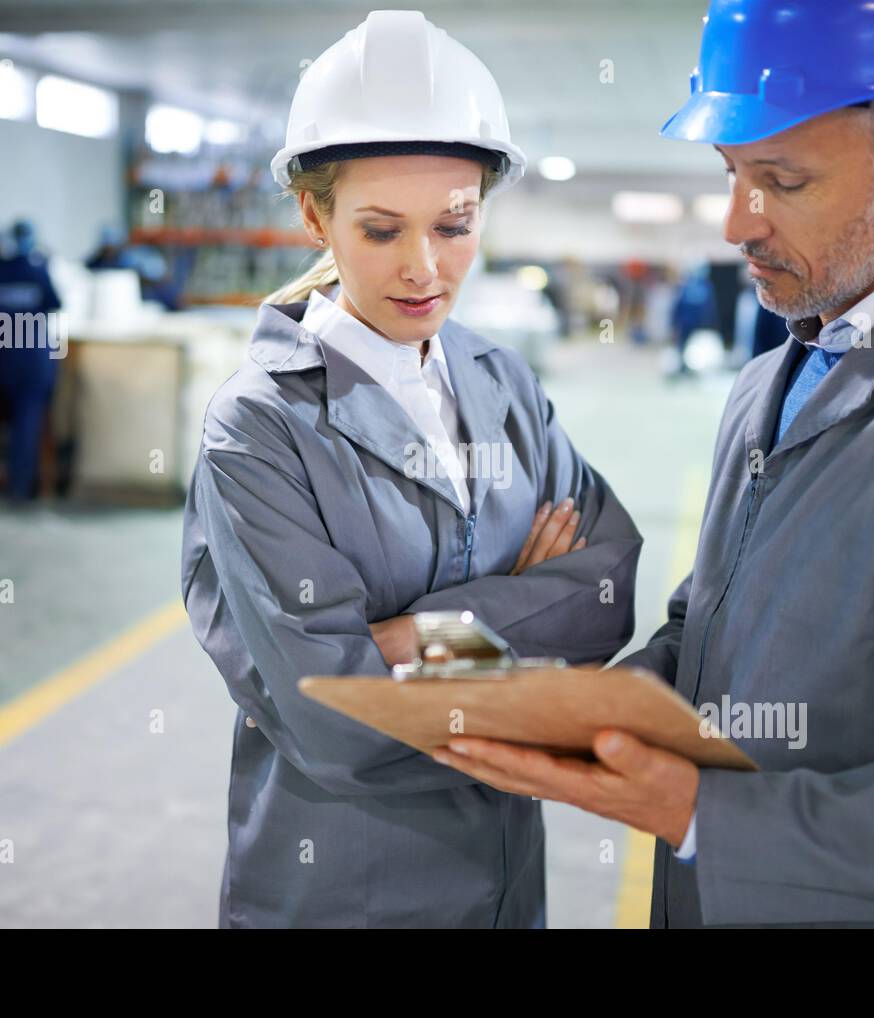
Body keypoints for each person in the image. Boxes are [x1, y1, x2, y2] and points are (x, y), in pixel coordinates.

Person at [432, 0, 874, 929]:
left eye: (781, 181)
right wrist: (608, 704)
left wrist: (699, 812)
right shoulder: (769, 382)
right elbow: (719, 626)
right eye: (732, 174)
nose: (734, 223)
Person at [180, 10, 642, 928]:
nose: (425, 269)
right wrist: (518, 617)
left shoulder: (500, 382)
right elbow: (336, 717)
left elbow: (605, 596)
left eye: (455, 225)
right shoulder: (259, 430)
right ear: (316, 214)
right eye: (382, 230)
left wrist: (411, 636)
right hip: (347, 887)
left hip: (505, 873)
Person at [0, 219, 63, 500]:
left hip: (5, 359)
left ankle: (16, 482)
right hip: (32, 360)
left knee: (14, 423)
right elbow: (55, 302)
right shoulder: (37, 271)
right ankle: (20, 487)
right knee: (29, 423)